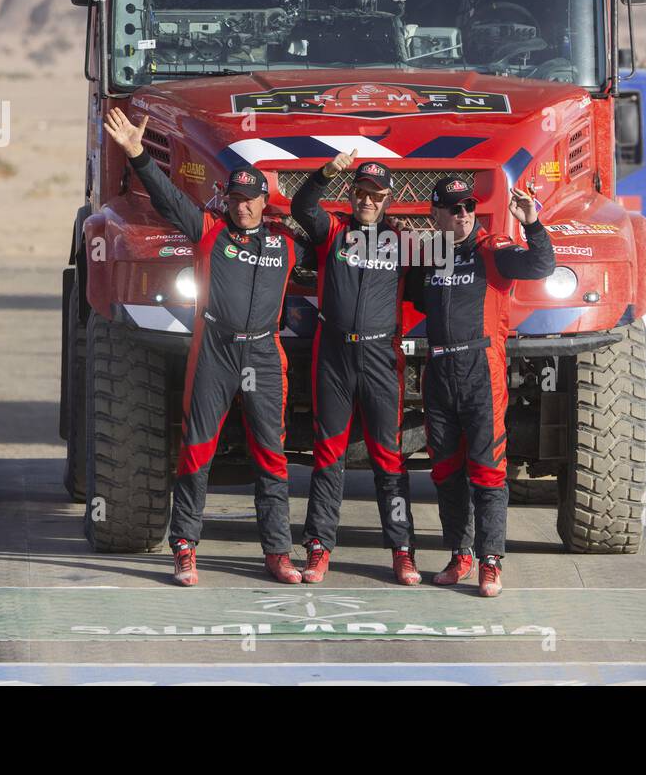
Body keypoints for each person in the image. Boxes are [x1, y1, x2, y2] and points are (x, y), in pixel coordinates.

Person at [105, 106, 310, 585]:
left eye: (250, 199)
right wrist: (137, 153)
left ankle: (278, 553)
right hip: (215, 350)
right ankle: (184, 547)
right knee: (198, 451)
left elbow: (328, 227)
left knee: (271, 455)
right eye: (235, 198)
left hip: (264, 352)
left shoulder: (286, 241)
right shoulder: (210, 231)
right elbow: (169, 197)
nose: (242, 206)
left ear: (264, 202)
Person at [408, 178, 555, 596]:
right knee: (445, 470)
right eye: (454, 208)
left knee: (488, 471)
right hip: (437, 368)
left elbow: (540, 266)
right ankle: (460, 554)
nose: (464, 214)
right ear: (434, 214)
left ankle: (491, 561)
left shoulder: (493, 250)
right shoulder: (428, 257)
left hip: (481, 369)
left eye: (468, 206)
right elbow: (415, 299)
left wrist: (533, 225)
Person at [292, 150, 419, 585]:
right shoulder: (333, 229)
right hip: (333, 354)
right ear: (351, 193)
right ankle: (318, 548)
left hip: (382, 357)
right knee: (328, 455)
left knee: (388, 459)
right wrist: (324, 172)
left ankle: (403, 551)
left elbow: (448, 276)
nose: (368, 201)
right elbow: (300, 208)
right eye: (361, 192)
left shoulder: (405, 241)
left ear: (389, 198)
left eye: (376, 195)